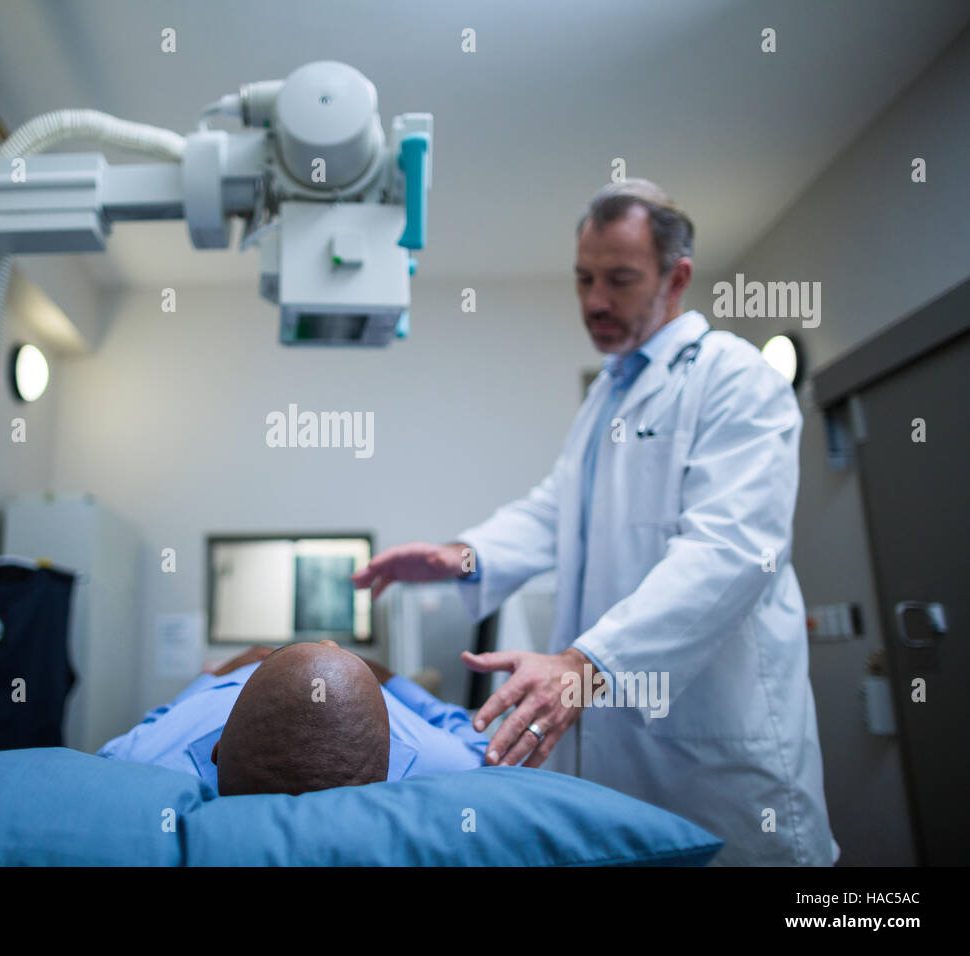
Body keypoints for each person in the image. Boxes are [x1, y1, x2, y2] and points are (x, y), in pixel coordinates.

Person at [351, 179, 837, 865]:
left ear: (679, 277)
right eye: (583, 279)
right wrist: (460, 556)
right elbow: (556, 513)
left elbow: (733, 552)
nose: (594, 302)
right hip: (621, 751)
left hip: (715, 752)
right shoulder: (608, 396)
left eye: (620, 279)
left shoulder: (732, 376)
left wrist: (584, 666)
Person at [98, 641, 487, 795]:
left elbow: (158, 720)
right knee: (428, 681)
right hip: (371, 689)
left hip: (239, 678)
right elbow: (473, 732)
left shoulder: (137, 760)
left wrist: (219, 673)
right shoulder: (448, 762)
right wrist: (388, 679)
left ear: (218, 748)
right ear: (388, 761)